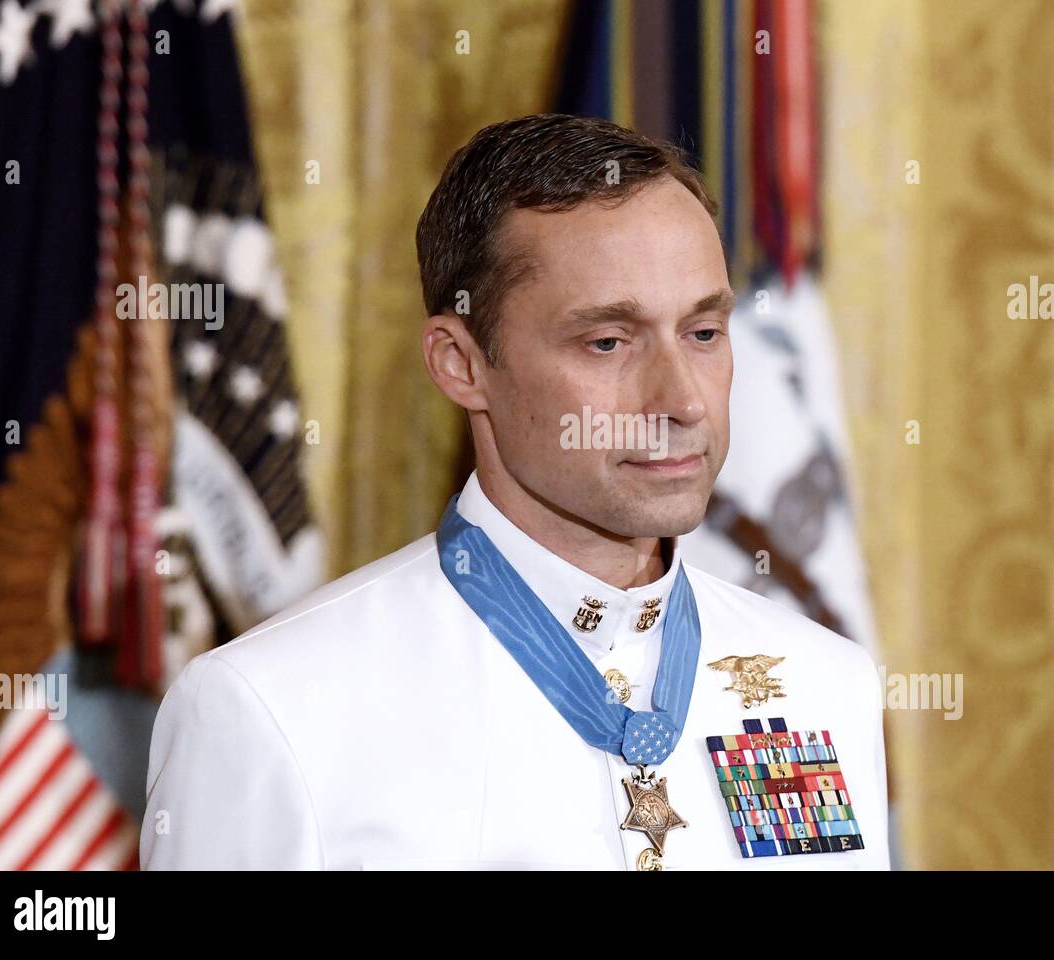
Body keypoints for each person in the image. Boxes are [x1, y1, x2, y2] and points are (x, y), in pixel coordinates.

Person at [141, 113, 889, 870]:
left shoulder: (828, 683)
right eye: (608, 342)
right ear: (461, 364)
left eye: (703, 333)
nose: (684, 403)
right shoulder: (271, 708)